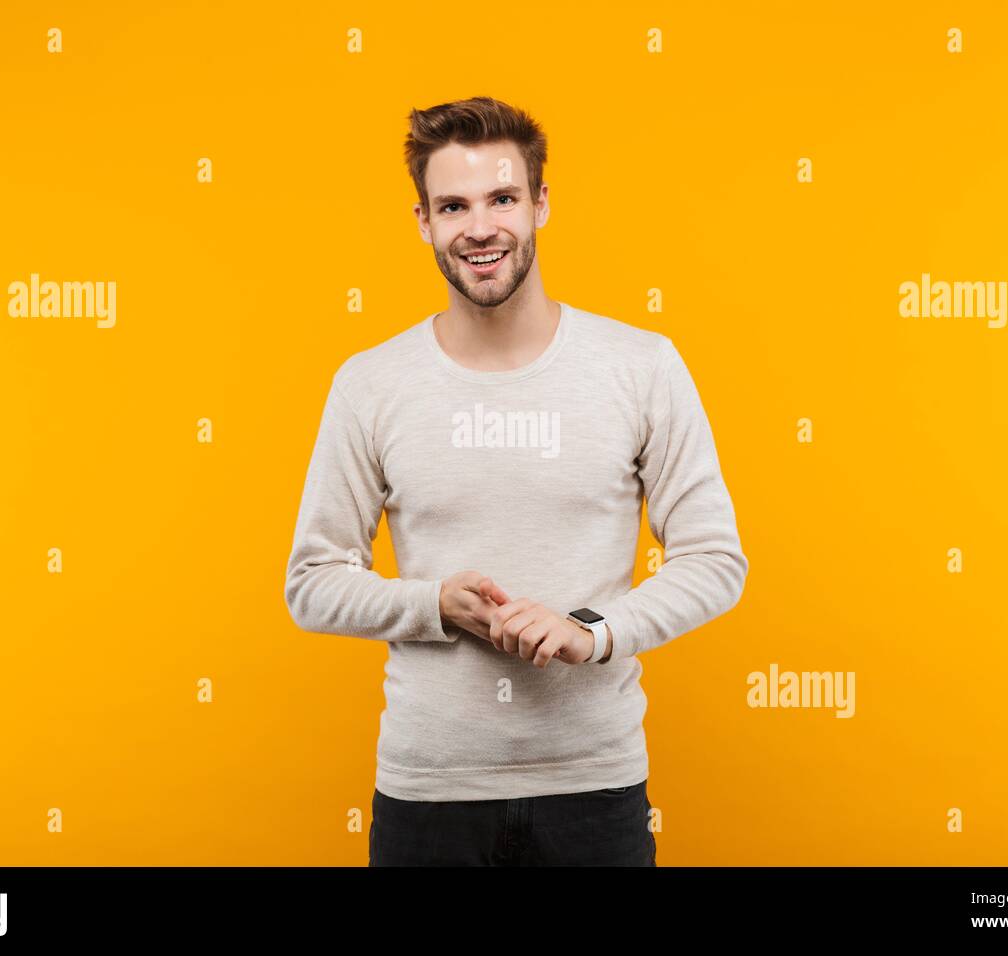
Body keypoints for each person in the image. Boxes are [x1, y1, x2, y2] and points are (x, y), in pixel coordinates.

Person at [283, 95, 748, 865]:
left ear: (540, 204)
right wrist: (432, 604)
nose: (480, 227)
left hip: (594, 791)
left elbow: (715, 559)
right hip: (428, 795)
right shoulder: (370, 384)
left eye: (502, 198)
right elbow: (312, 580)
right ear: (424, 222)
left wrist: (591, 632)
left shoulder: (642, 367)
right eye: (453, 205)